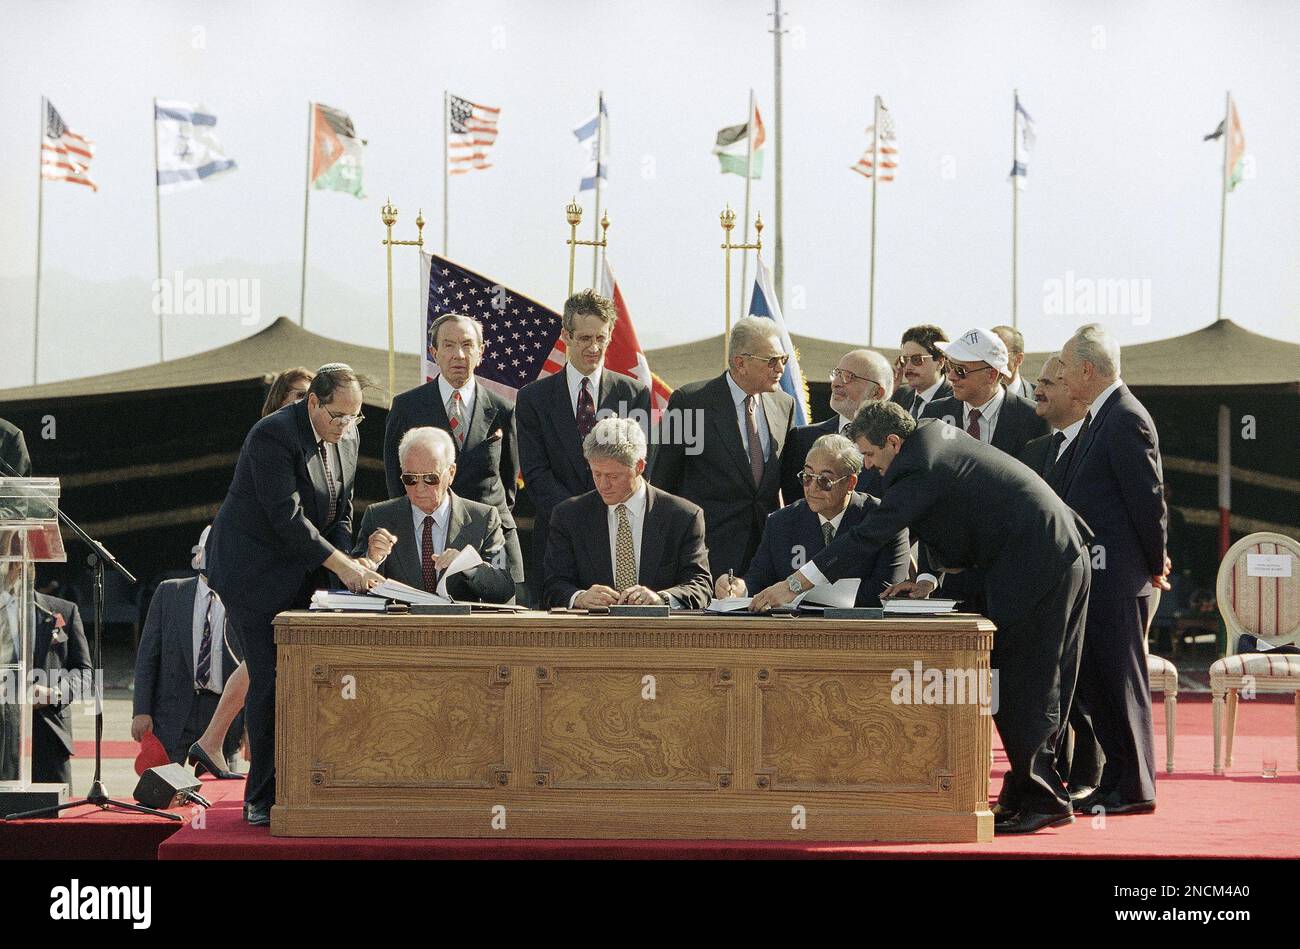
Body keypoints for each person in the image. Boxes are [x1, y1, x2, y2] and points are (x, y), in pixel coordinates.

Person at [750, 401, 1092, 835]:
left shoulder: (919, 464)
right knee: (1022, 678)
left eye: (871, 455)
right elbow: (950, 511)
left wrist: (794, 584)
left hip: (1038, 560)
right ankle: (1028, 790)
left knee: (1026, 681)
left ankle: (1045, 798)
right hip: (1050, 554)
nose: (869, 467)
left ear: (893, 441)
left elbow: (869, 535)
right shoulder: (930, 435)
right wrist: (929, 580)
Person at [204, 363, 381, 826]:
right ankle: (261, 795)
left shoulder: (348, 436)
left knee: (313, 674)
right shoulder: (273, 435)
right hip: (252, 570)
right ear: (313, 403)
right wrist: (340, 565)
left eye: (354, 419)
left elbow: (340, 513)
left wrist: (349, 562)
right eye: (338, 417)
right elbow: (288, 519)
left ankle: (310, 783)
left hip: (304, 566)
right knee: (272, 674)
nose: (345, 427)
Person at [1058, 323, 1169, 815]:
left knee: (1122, 684)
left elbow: (1148, 501)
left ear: (1086, 368)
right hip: (1098, 578)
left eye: (1063, 366)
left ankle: (1137, 787)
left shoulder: (1125, 417)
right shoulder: (1098, 417)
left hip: (1120, 578)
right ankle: (1116, 780)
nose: (1058, 375)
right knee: (1100, 685)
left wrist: (1153, 563)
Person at [188, 367, 315, 781]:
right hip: (253, 570)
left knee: (263, 662)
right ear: (278, 400)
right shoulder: (269, 437)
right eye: (296, 395)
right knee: (263, 663)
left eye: (310, 396)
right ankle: (229, 752)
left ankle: (212, 740)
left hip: (284, 569)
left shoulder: (316, 445)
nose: (304, 403)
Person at [516, 290, 651, 605]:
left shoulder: (634, 394)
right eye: (584, 338)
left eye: (601, 339)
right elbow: (536, 475)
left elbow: (642, 465)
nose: (593, 348)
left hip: (621, 537)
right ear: (565, 335)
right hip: (557, 539)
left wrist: (609, 511)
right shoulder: (533, 398)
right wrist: (583, 517)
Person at [383, 313, 524, 590]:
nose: (458, 354)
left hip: (490, 539)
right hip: (430, 539)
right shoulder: (407, 407)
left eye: (467, 345)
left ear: (481, 352)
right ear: (434, 352)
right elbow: (396, 481)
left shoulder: (503, 409)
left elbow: (508, 483)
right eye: (448, 345)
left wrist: (488, 521)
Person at [651, 316, 796, 578]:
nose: (780, 369)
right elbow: (663, 485)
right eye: (771, 361)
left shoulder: (784, 405)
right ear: (740, 362)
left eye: (783, 359)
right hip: (705, 554)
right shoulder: (691, 402)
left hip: (765, 557)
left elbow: (787, 484)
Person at [1018, 356, 1098, 799]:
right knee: (1054, 679)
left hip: (1091, 576)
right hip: (1040, 584)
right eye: (1038, 383)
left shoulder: (1099, 440)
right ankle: (1058, 769)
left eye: (1049, 382)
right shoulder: (1033, 452)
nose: (1039, 390)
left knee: (1086, 680)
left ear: (1076, 391)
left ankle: (1090, 773)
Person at [544, 417, 712, 611]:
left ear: (639, 467)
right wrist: (580, 597)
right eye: (596, 474)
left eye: (613, 476)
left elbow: (700, 585)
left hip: (659, 636)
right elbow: (552, 585)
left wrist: (661, 599)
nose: (603, 485)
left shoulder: (683, 516)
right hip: (592, 636)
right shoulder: (569, 516)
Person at [720, 434, 908, 607]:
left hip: (862, 634)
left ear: (850, 483)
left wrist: (799, 592)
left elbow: (885, 592)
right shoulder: (781, 522)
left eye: (824, 480)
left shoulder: (883, 520)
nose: (812, 488)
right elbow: (758, 581)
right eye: (808, 477)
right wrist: (739, 589)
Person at [354, 427, 515, 603]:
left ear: (451, 473)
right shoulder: (379, 517)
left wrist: (470, 567)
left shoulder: (483, 519)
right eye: (410, 478)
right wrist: (372, 560)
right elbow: (354, 585)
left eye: (430, 478)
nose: (420, 488)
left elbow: (504, 588)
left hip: (459, 628)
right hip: (401, 628)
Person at [131, 526, 243, 773]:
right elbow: (148, 657)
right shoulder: (170, 592)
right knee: (161, 796)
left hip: (222, 717)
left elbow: (252, 667)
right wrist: (141, 710)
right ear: (198, 556)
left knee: (219, 802)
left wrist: (249, 727)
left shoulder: (245, 600)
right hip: (171, 715)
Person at [781, 349, 893, 502]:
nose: (836, 383)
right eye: (837, 374)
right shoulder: (802, 439)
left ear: (876, 392)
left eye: (848, 377)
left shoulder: (894, 445)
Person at [923, 326, 1047, 459]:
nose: (951, 376)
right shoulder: (934, 414)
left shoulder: (1033, 419)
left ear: (991, 375)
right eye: (950, 367)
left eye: (961, 370)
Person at [889, 325, 951, 419]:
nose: (908, 367)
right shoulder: (899, 396)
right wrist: (888, 392)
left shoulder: (955, 400)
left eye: (917, 359)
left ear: (940, 362)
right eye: (905, 360)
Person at [992, 325, 1035, 400]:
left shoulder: (1040, 398)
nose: (988, 360)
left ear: (1018, 359)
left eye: (996, 353)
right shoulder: (970, 398)